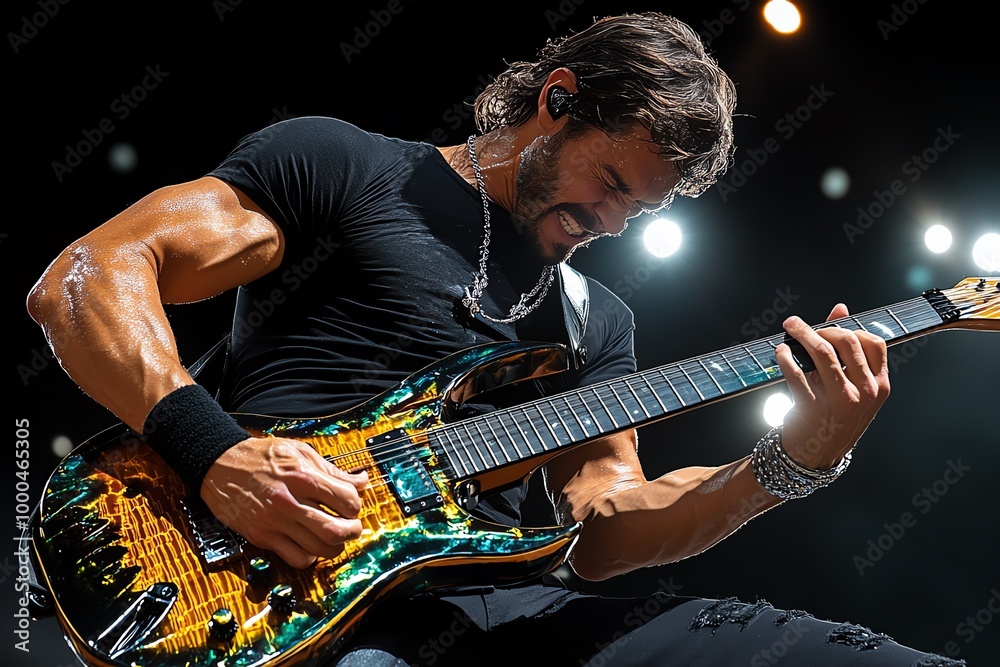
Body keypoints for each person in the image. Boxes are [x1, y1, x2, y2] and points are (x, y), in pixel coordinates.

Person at [26, 11, 963, 667]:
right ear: (557, 100)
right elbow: (89, 277)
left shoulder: (597, 321)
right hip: (270, 583)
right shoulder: (348, 167)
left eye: (640, 209)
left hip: (499, 611)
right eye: (610, 182)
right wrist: (216, 453)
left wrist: (792, 462)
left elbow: (602, 527)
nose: (614, 221)